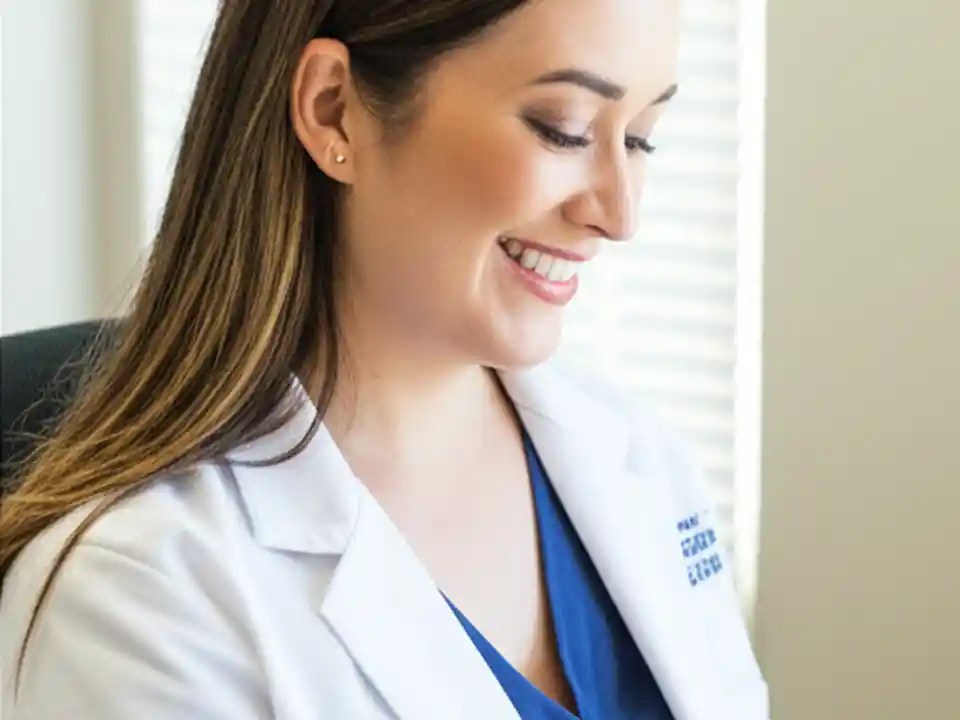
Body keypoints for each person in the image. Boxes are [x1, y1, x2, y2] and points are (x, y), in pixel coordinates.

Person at [0, 0, 768, 717]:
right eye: (562, 128)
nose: (618, 213)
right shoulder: (137, 600)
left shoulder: (629, 452)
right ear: (334, 108)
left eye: (639, 138)